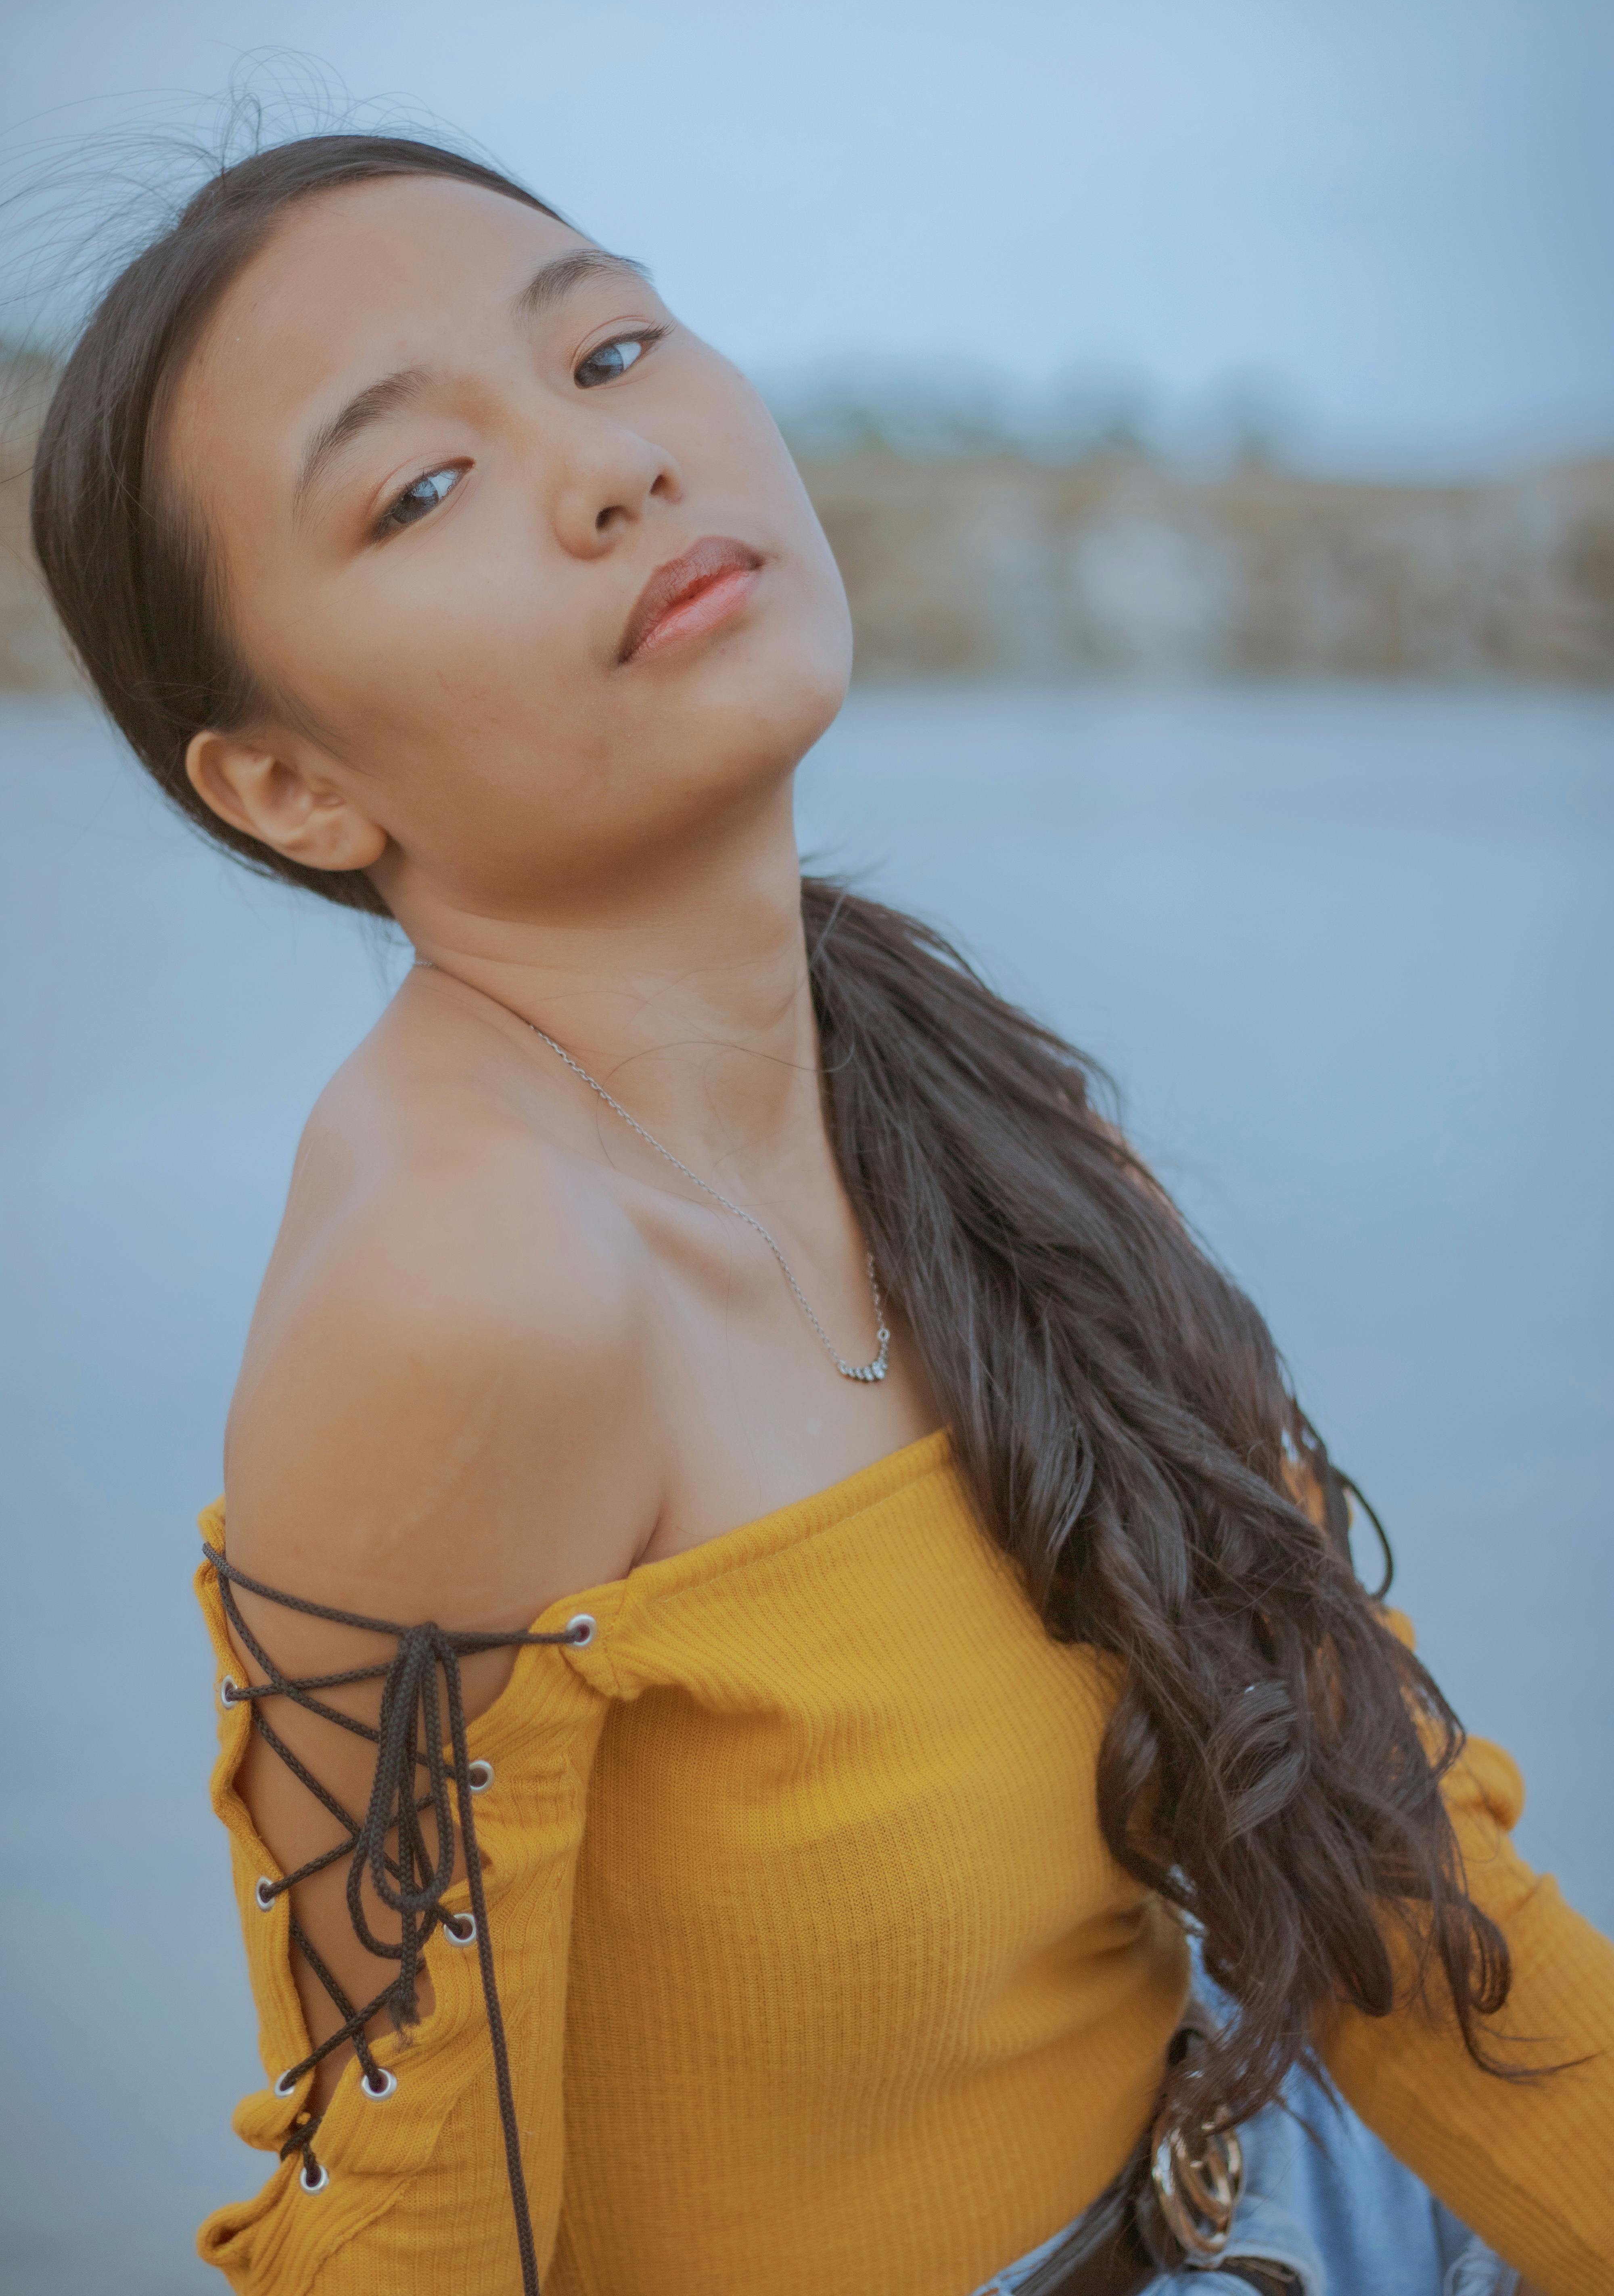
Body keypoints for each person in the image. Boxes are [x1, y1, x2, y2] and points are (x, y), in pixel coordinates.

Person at [29, 133, 1611, 2296]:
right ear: (292, 786)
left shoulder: (974, 1106)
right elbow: (401, 2228)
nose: (608, 467)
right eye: (418, 489)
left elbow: (1407, 1910)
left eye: (608, 347)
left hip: (1317, 2203)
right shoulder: (471, 1291)